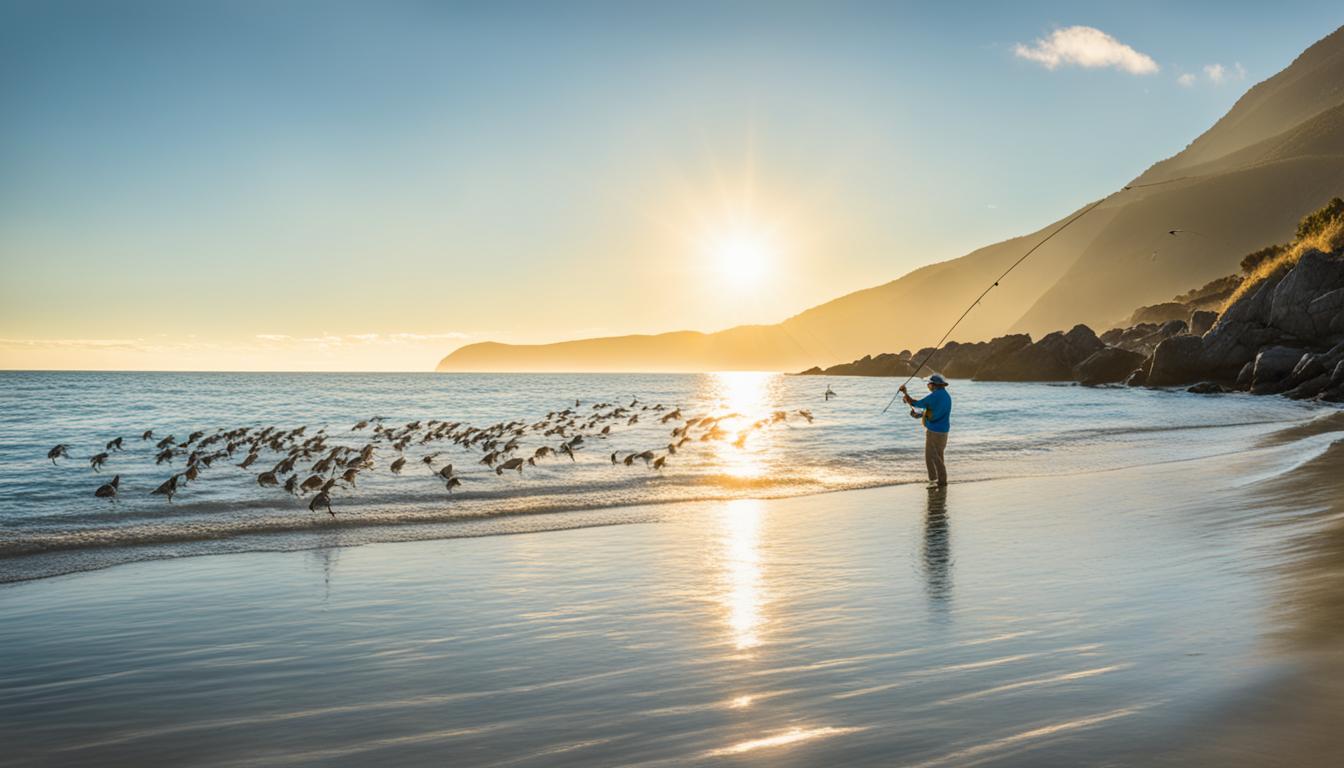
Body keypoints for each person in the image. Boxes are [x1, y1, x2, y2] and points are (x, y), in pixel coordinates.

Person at [899, 373, 952, 487]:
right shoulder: (945, 395)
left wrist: (905, 392)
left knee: (931, 456)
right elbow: (934, 411)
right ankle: (937, 480)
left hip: (934, 432)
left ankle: (938, 481)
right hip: (944, 431)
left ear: (934, 385)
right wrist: (921, 413)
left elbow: (917, 403)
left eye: (929, 384)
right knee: (938, 456)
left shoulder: (935, 396)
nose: (928, 386)